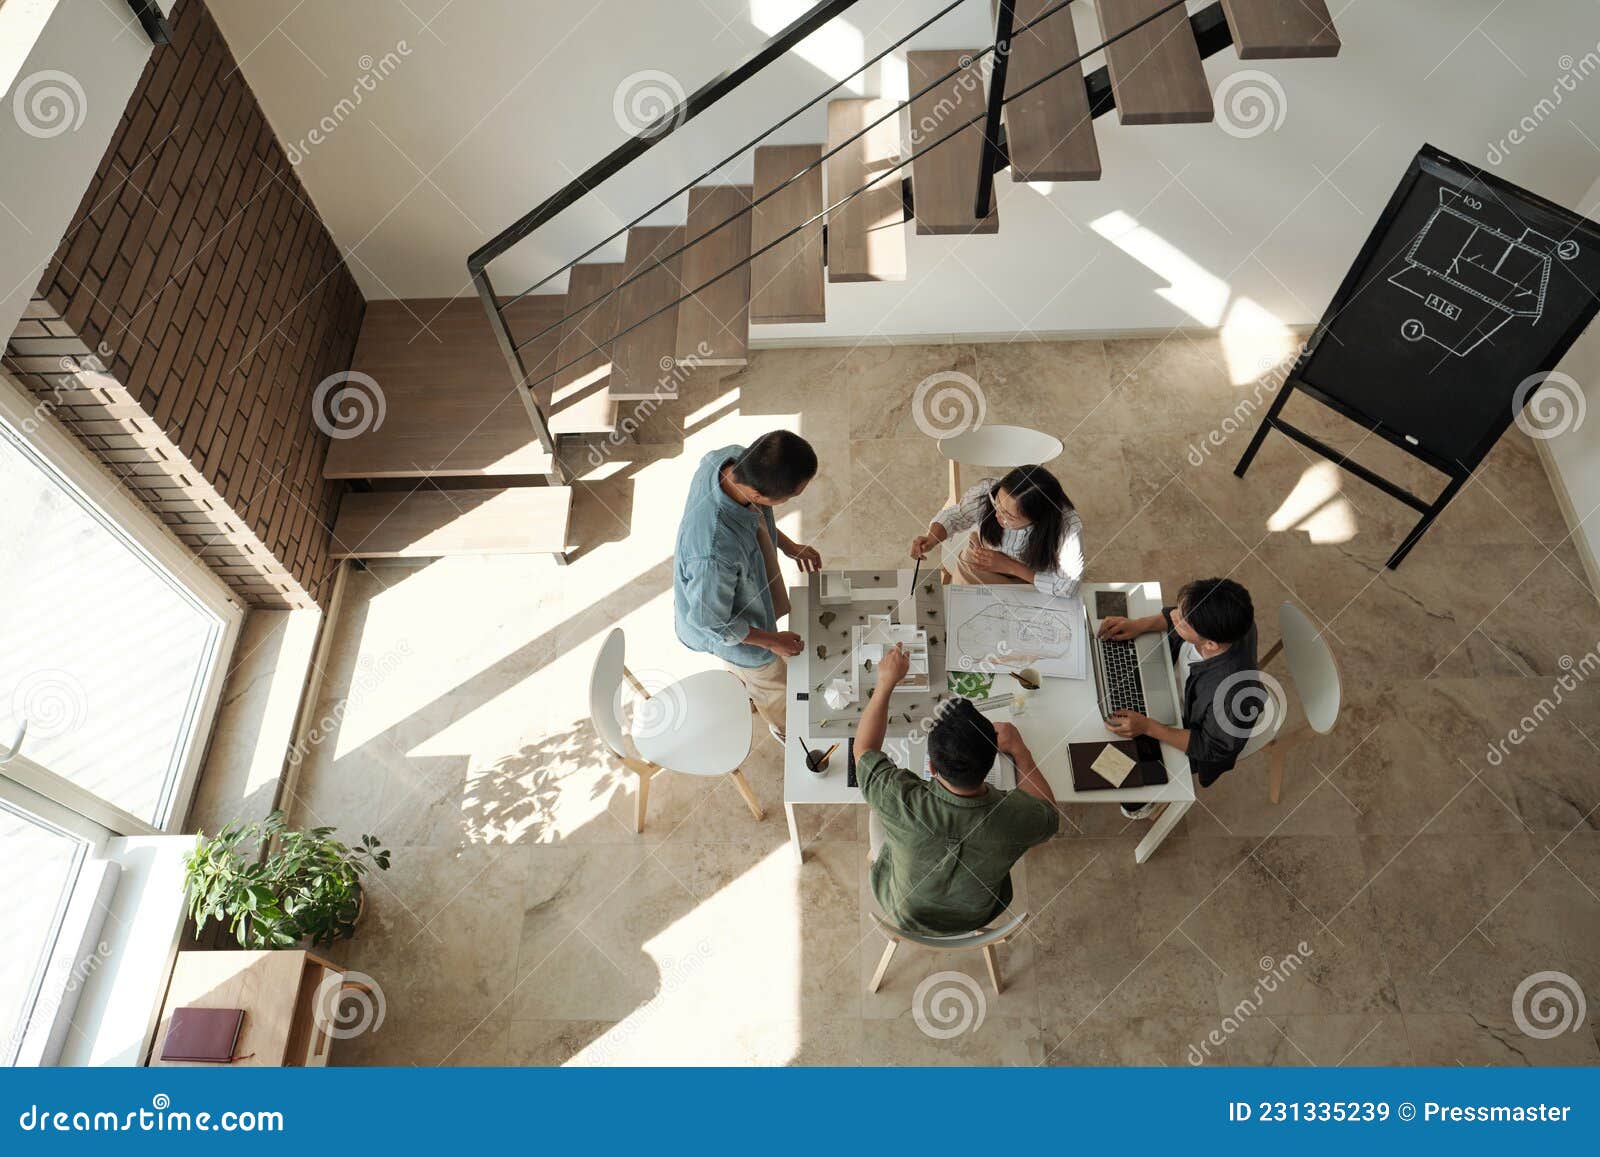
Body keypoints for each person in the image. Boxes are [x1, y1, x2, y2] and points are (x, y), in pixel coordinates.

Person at [855, 643, 1059, 936]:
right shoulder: (1014, 819)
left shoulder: (900, 799)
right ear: (990, 765)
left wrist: (886, 682)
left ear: (933, 769)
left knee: (877, 817)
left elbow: (863, 749)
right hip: (976, 915)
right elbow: (1050, 813)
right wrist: (1020, 751)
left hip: (903, 909)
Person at [674, 431, 823, 743]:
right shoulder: (714, 554)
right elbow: (711, 622)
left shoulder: (731, 459)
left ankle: (744, 682)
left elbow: (756, 518)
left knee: (760, 667)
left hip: (727, 593)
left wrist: (789, 545)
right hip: (724, 625)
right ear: (759, 494)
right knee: (776, 686)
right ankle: (786, 730)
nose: (787, 502)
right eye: (788, 498)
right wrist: (771, 642)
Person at [1098, 576, 1263, 819]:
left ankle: (1143, 802)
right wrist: (1140, 625)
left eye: (1183, 621)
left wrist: (1147, 726)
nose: (1174, 617)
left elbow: (1210, 748)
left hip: (1189, 730)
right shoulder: (1225, 616)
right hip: (1173, 686)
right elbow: (1176, 615)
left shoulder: (1233, 696)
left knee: (1111, 767)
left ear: (1211, 644)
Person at [908, 465, 1084, 597]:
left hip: (1033, 580)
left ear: (1037, 520)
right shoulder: (992, 491)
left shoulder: (1068, 531)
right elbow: (956, 516)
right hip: (981, 565)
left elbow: (1066, 587)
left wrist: (1010, 567)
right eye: (997, 504)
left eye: (1008, 516)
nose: (997, 515)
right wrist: (931, 539)